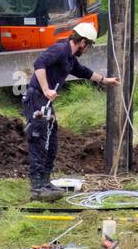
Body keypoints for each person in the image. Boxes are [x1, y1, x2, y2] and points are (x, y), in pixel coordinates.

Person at [23, 23, 118, 201]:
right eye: (88, 45)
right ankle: (37, 189)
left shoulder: (70, 58)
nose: (88, 49)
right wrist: (46, 90)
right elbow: (39, 63)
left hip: (45, 102)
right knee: (39, 141)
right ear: (82, 42)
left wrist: (105, 80)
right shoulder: (60, 49)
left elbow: (83, 72)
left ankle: (45, 182)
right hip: (36, 99)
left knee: (51, 144)